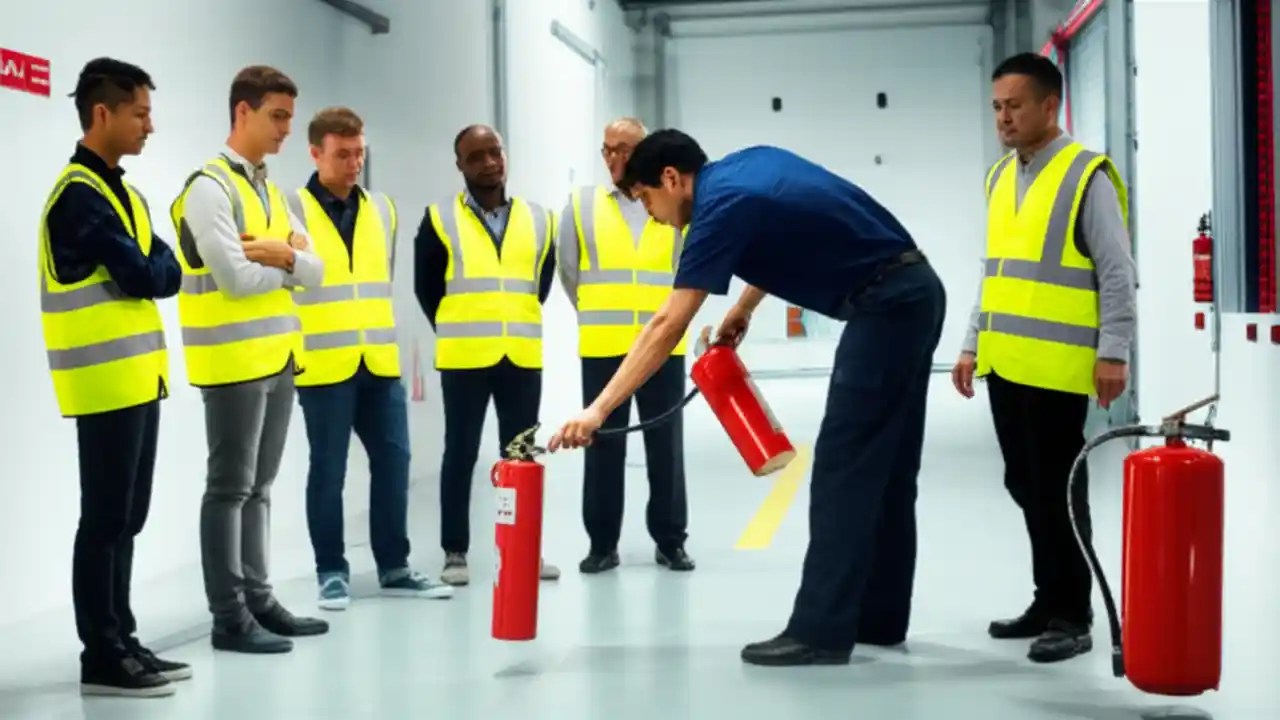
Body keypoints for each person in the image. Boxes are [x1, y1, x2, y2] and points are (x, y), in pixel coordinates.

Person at [548, 129, 947, 667]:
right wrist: (744, 309)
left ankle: (822, 632)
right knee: (889, 468)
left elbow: (668, 323)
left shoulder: (716, 211)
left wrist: (598, 409)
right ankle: (878, 616)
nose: (652, 214)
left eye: (646, 199)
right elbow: (789, 232)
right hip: (916, 290)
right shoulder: (745, 170)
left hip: (886, 306)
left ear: (671, 178)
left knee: (842, 467)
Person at [951, 52, 1135, 663]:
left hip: (1058, 368)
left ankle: (1073, 614)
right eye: (997, 107)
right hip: (1005, 363)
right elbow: (995, 271)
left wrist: (1115, 352)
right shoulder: (999, 176)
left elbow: (1116, 272)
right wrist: (972, 341)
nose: (1004, 118)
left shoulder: (1087, 175)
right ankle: (1046, 598)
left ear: (1049, 106)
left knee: (1059, 491)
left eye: (1015, 106)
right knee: (1025, 484)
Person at [40, 57, 188, 698]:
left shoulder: (123, 193)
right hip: (102, 383)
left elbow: (170, 269)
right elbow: (142, 274)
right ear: (103, 113)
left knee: (127, 517)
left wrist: (154, 265)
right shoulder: (76, 196)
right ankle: (100, 654)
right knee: (103, 519)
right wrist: (152, 265)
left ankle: (122, 638)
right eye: (141, 112)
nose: (149, 125)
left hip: (137, 378)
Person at [170, 65, 329, 653]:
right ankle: (228, 616)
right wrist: (288, 259)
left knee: (260, 487)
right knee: (230, 488)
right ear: (243, 112)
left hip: (279, 356)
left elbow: (317, 273)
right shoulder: (208, 188)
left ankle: (260, 601)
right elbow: (234, 279)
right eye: (278, 116)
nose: (288, 129)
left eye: (289, 115)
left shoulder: (273, 191)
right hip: (232, 360)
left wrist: (287, 258)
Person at [285, 106, 453, 609]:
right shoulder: (288, 207)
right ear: (315, 152)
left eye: (360, 153)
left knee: (394, 462)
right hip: (324, 363)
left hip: (379, 363)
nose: (354, 163)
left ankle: (394, 566)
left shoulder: (383, 209)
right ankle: (331, 570)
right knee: (329, 471)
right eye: (343, 154)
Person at [413, 124, 561, 586]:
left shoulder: (539, 219)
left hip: (519, 353)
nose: (489, 162)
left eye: (495, 151)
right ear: (460, 166)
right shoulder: (439, 218)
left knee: (520, 457)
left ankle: (523, 551)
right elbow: (427, 288)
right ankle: (455, 552)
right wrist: (459, 325)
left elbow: (541, 284)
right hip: (463, 357)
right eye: (476, 156)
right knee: (460, 453)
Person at [557, 117, 694, 574]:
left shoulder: (671, 203)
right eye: (607, 150)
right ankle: (601, 544)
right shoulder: (581, 205)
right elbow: (569, 272)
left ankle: (670, 541)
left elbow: (687, 272)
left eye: (624, 149)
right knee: (600, 444)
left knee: (665, 446)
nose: (614, 158)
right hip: (603, 343)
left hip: (664, 347)